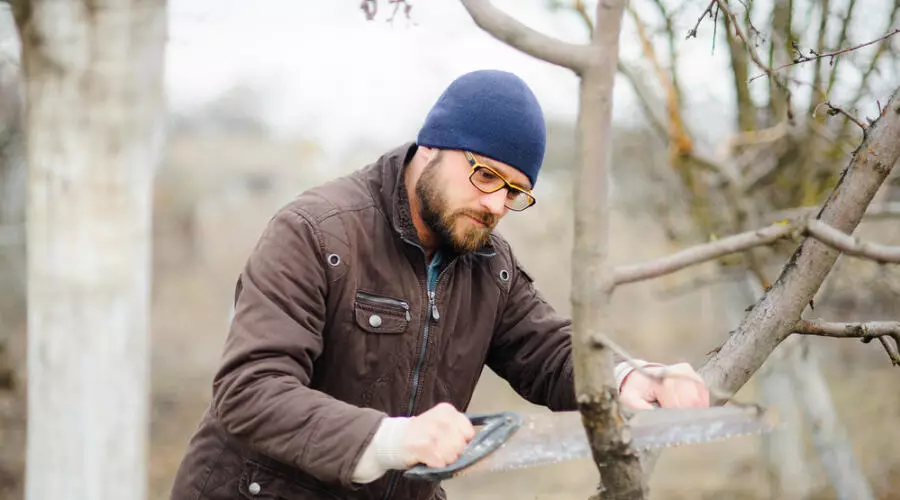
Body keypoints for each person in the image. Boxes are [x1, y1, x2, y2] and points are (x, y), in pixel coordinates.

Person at [170, 70, 710, 500]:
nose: (497, 204)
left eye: (515, 192)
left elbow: (546, 350)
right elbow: (251, 390)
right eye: (485, 176)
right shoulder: (317, 232)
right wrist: (389, 440)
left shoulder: (487, 263)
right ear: (431, 147)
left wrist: (626, 378)